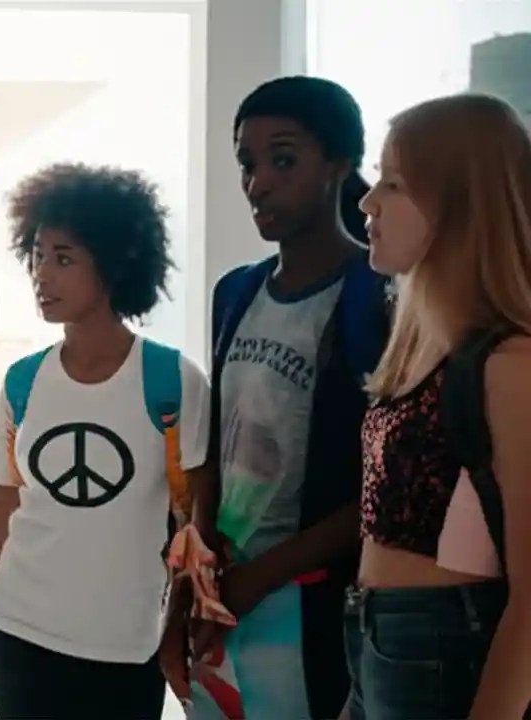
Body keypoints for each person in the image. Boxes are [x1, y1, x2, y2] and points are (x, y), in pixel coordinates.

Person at [0, 162, 212, 719]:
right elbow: (0, 511)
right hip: (17, 631)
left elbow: (200, 515)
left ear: (111, 266)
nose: (43, 275)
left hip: (127, 643)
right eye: (37, 256)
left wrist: (187, 625)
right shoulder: (24, 382)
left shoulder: (172, 381)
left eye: (64, 259)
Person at [168, 76, 392, 720]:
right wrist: (197, 568)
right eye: (247, 163)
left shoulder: (376, 298)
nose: (258, 182)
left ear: (340, 163)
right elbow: (216, 442)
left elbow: (385, 486)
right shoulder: (235, 292)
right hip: (221, 601)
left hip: (312, 604)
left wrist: (259, 579)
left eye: (283, 159)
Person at [348, 93, 531, 720]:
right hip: (377, 641)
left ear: (461, 204)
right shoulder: (421, 355)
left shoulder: (510, 367)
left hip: (446, 653)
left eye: (393, 184)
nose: (368, 201)